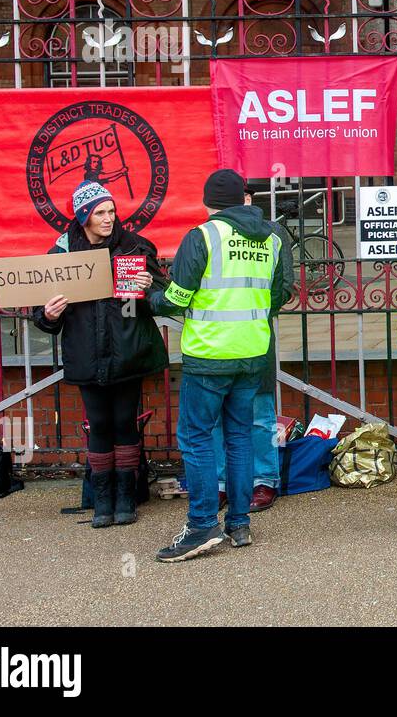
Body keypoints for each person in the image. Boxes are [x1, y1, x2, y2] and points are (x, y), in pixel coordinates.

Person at [150, 169, 290, 562]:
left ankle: (201, 525)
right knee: (241, 437)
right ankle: (239, 523)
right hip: (252, 353)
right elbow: (278, 295)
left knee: (196, 439)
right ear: (242, 199)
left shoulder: (204, 236)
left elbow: (176, 298)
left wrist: (151, 296)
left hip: (210, 356)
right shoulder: (272, 240)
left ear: (208, 201)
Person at [33, 181, 165, 528]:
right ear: (84, 217)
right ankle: (102, 502)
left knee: (125, 423)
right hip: (86, 354)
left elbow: (164, 296)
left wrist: (150, 289)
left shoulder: (135, 247)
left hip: (128, 353)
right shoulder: (62, 255)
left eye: (111, 211)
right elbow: (39, 312)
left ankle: (126, 499)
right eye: (100, 213)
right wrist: (48, 314)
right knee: (100, 425)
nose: (108, 218)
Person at [213, 184, 295, 513]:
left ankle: (265, 480)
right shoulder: (209, 234)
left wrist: (256, 308)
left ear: (249, 200)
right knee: (218, 415)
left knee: (261, 416)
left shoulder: (273, 234)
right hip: (216, 339)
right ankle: (221, 483)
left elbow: (284, 284)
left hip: (255, 337)